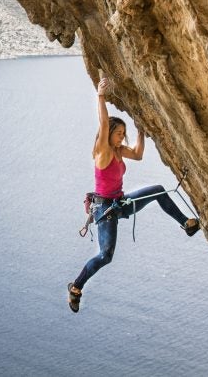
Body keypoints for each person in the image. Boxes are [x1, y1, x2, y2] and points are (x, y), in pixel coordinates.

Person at [67, 76, 200, 313]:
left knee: (158, 191)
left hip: (120, 202)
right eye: (119, 133)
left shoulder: (119, 151)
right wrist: (100, 96)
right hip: (105, 209)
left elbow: (138, 155)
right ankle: (76, 287)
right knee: (106, 256)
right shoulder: (103, 152)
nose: (121, 137)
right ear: (108, 136)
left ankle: (187, 224)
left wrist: (140, 130)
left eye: (123, 134)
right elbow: (104, 122)